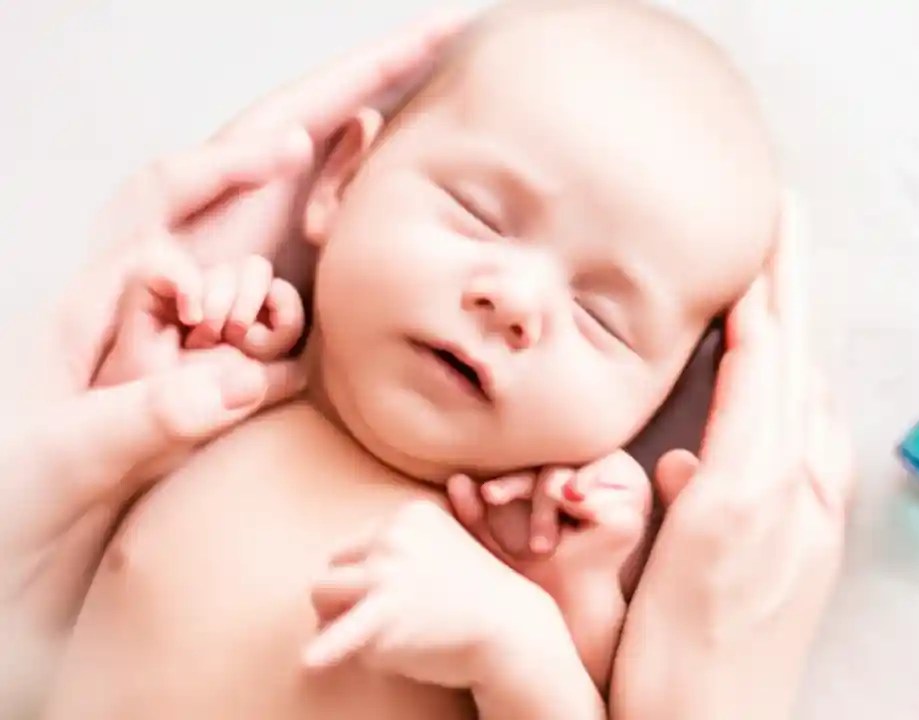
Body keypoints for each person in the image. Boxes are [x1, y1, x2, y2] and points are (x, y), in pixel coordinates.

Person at [2, 5, 854, 720]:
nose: (515, 303)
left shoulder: (526, 577)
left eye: (600, 317)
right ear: (339, 181)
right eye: (479, 215)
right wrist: (159, 358)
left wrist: (522, 651)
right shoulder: (220, 398)